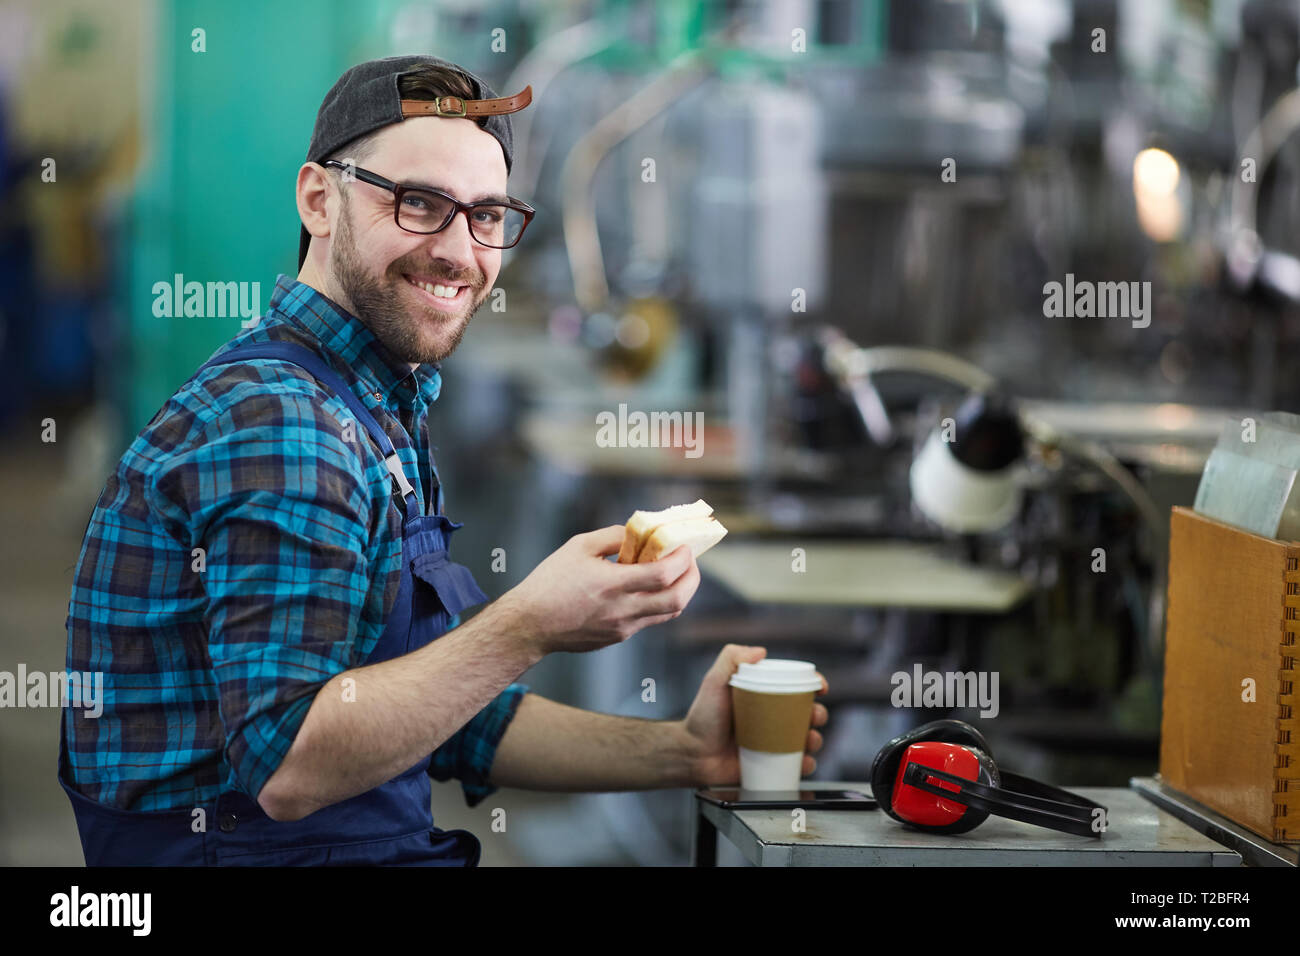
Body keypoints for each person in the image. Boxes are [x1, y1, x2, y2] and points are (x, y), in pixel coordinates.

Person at [60, 54, 829, 866]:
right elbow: (290, 760)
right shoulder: (284, 423)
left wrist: (685, 753)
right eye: (420, 203)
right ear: (319, 200)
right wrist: (530, 625)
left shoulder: (376, 403)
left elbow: (450, 708)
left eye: (487, 216)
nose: (461, 252)